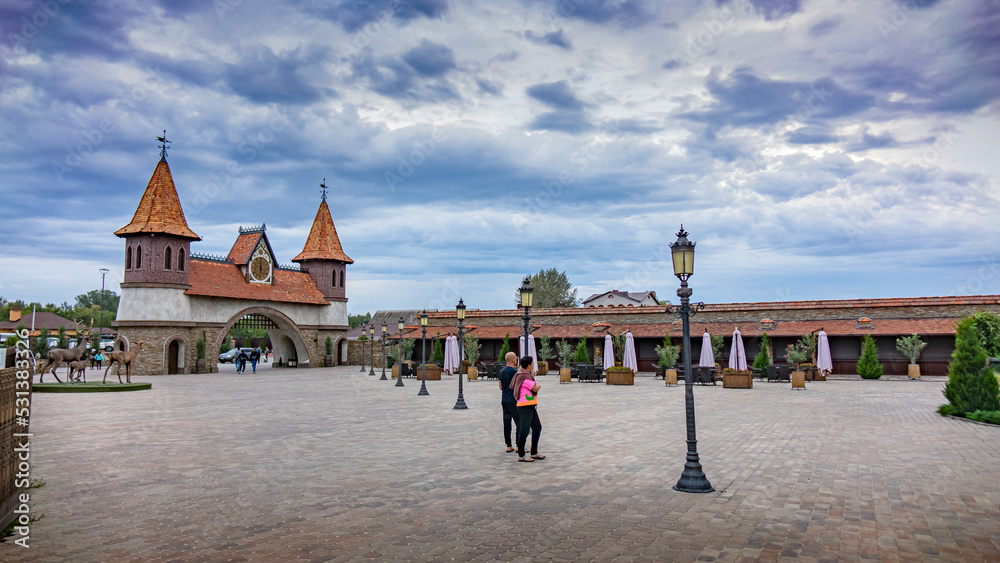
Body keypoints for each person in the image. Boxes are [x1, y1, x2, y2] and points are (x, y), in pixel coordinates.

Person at [510, 355, 543, 462]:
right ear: (528, 365)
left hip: (531, 405)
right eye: (532, 363)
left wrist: (536, 385)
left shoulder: (527, 375)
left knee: (537, 427)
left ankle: (534, 452)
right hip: (524, 406)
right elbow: (536, 387)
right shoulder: (523, 376)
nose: (533, 364)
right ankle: (522, 455)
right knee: (524, 430)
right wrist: (536, 385)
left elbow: (536, 387)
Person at [497, 351, 520, 453]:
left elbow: (501, 387)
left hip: (504, 400)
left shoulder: (501, 372)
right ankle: (519, 445)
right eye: (515, 358)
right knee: (519, 423)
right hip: (514, 400)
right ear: (512, 359)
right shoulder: (515, 372)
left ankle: (509, 445)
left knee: (507, 423)